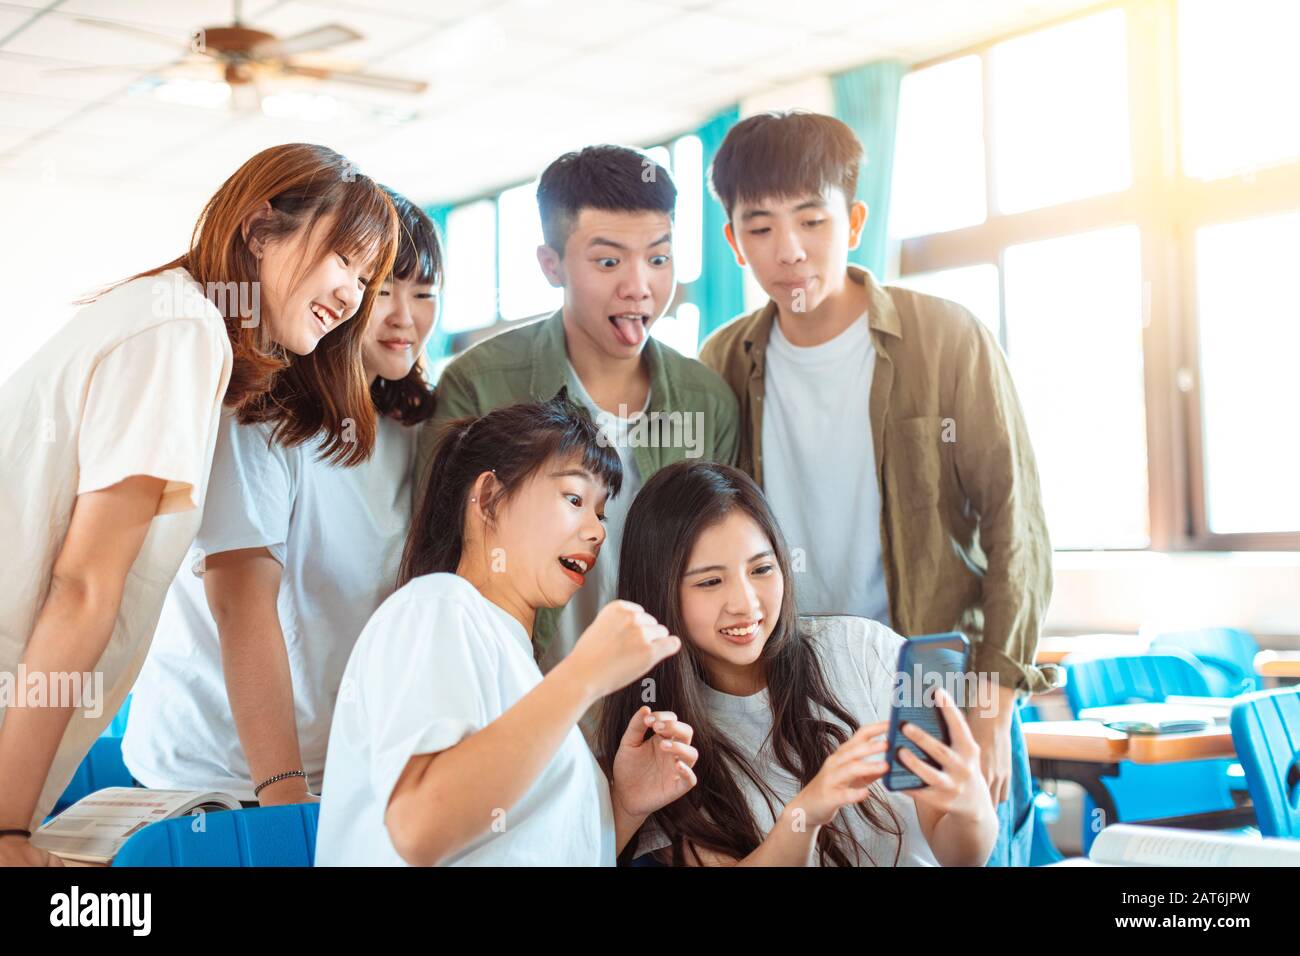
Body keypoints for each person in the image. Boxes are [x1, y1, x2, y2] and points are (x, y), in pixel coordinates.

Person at [0, 143, 398, 867]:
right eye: (345, 258)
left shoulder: (184, 328)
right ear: (258, 228)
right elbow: (85, 584)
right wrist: (7, 830)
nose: (352, 295)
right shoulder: (181, 331)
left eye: (366, 277)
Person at [698, 111, 1056, 864]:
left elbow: (1014, 524)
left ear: (853, 220)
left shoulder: (945, 338)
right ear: (732, 240)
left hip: (931, 678)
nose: (788, 251)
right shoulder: (724, 359)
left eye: (811, 220)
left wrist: (990, 710)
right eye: (759, 228)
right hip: (796, 690)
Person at [122, 189, 441, 807]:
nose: (406, 316)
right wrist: (284, 798)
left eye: (424, 293)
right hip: (220, 777)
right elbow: (242, 609)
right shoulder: (260, 415)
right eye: (382, 291)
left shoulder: (411, 426)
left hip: (347, 768)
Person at [316, 395, 697, 866]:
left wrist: (623, 804)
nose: (597, 531)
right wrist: (583, 677)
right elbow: (418, 829)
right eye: (574, 499)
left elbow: (531, 847)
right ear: (490, 497)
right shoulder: (437, 606)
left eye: (601, 512)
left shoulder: (522, 669)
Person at [419, 144, 738, 672]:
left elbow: (721, 569)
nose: (639, 286)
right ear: (552, 265)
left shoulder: (708, 402)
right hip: (518, 694)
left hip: (664, 704)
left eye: (658, 259)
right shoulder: (479, 387)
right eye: (608, 261)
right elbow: (441, 567)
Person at [598, 459, 997, 866]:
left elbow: (964, 856)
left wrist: (970, 805)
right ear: (658, 591)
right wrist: (806, 814)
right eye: (710, 582)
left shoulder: (865, 649)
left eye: (762, 569)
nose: (746, 604)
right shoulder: (660, 745)